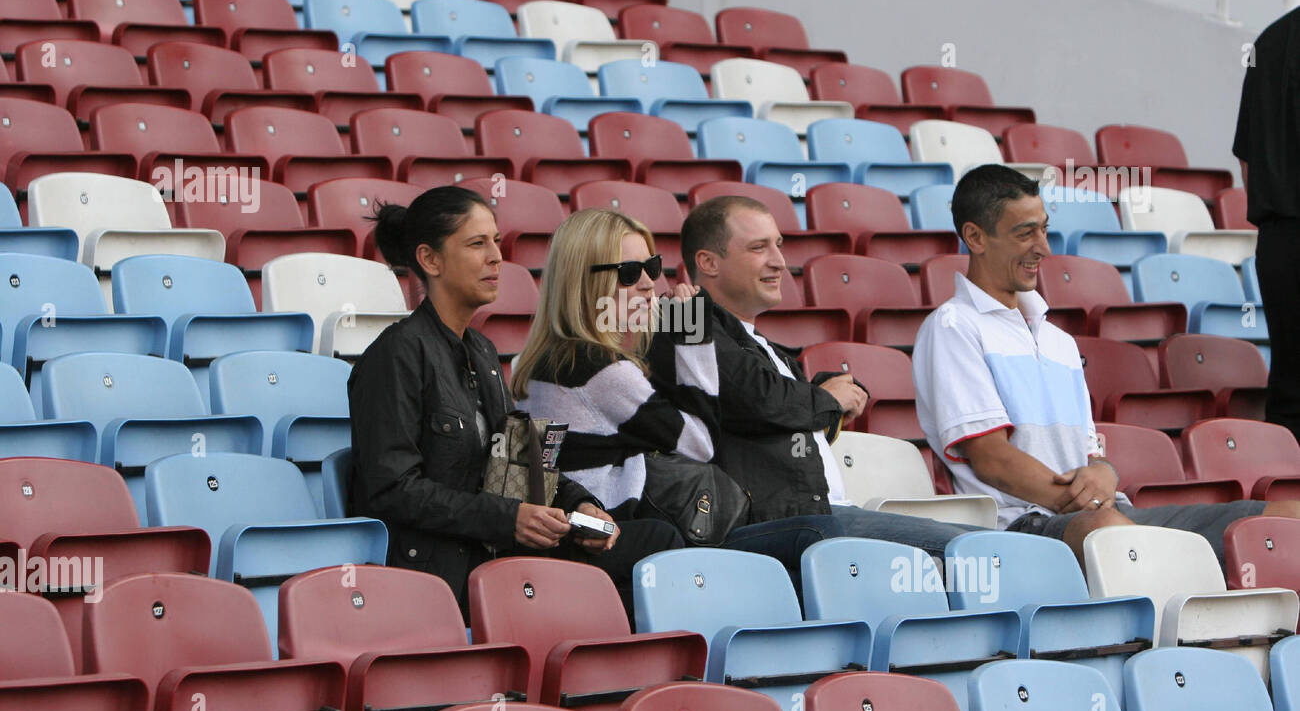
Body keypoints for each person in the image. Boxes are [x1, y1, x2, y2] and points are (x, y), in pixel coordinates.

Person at [911, 164, 1300, 566]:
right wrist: (1091, 501)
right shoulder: (951, 326)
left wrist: (1105, 471)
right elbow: (992, 459)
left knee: (1287, 518)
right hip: (1024, 527)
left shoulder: (1059, 341)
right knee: (1115, 538)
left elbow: (1090, 453)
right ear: (975, 237)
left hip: (1105, 514)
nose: (1043, 247)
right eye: (1025, 233)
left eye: (1044, 229)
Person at [346, 186, 681, 616]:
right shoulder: (395, 355)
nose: (496, 257)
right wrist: (509, 518)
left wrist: (579, 505)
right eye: (476, 244)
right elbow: (391, 491)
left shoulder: (482, 351)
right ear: (430, 260)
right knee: (656, 543)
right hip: (444, 571)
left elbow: (520, 457)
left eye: (497, 242)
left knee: (652, 537)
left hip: (496, 550)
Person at [676, 194, 984, 584]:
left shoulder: (760, 343)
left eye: (779, 245)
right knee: (978, 551)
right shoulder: (685, 320)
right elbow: (755, 398)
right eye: (758, 248)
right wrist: (828, 400)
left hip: (823, 512)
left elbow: (769, 401)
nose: (779, 261)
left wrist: (824, 401)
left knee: (991, 547)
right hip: (783, 521)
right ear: (708, 263)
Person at [510, 208, 718, 522]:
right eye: (629, 272)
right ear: (582, 280)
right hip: (597, 532)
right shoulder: (600, 370)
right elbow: (701, 444)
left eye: (652, 267)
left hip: (577, 524)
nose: (649, 283)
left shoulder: (551, 356)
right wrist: (693, 334)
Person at [1234, 10, 1300, 443]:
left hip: (1279, 243)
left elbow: (1246, 158)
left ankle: (1283, 501)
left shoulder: (1268, 41)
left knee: (1292, 384)